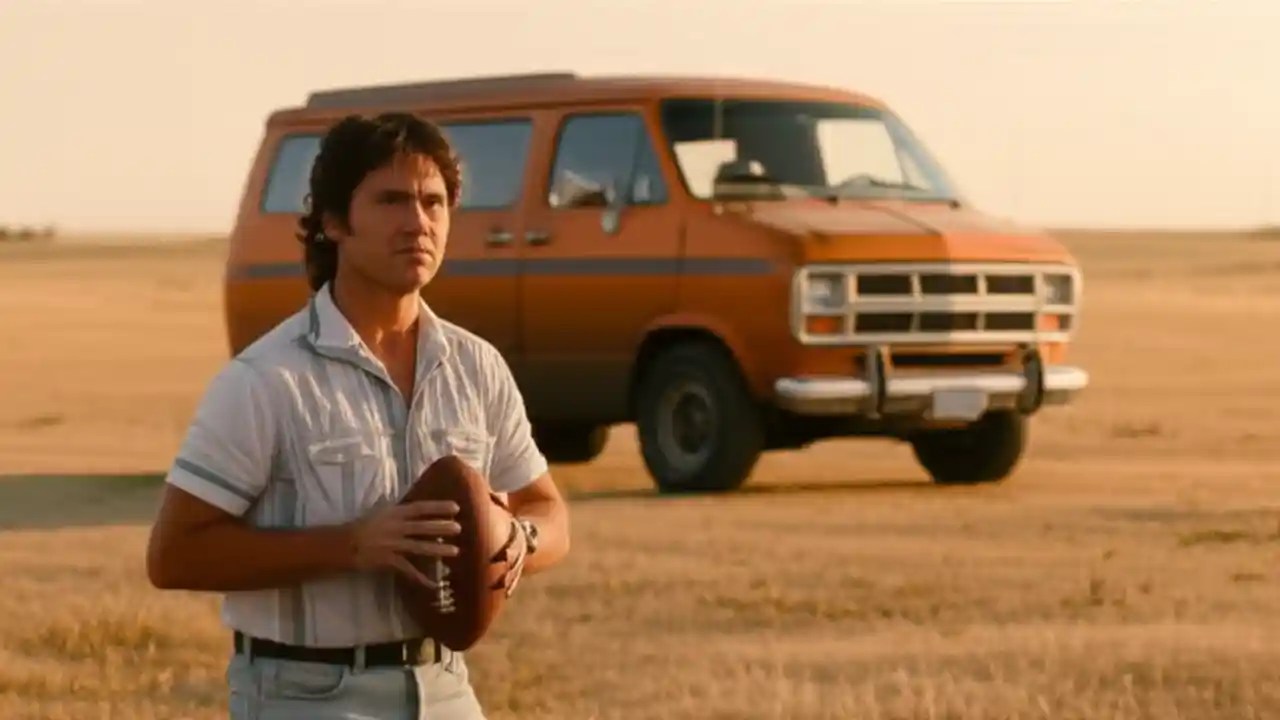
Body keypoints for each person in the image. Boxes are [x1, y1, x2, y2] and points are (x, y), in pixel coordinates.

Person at [145, 111, 570, 719]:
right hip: (306, 694)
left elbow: (549, 510)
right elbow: (174, 556)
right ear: (334, 221)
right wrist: (352, 546)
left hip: (445, 687)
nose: (418, 223)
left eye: (434, 202)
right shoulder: (266, 380)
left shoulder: (477, 368)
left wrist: (517, 540)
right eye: (392, 200)